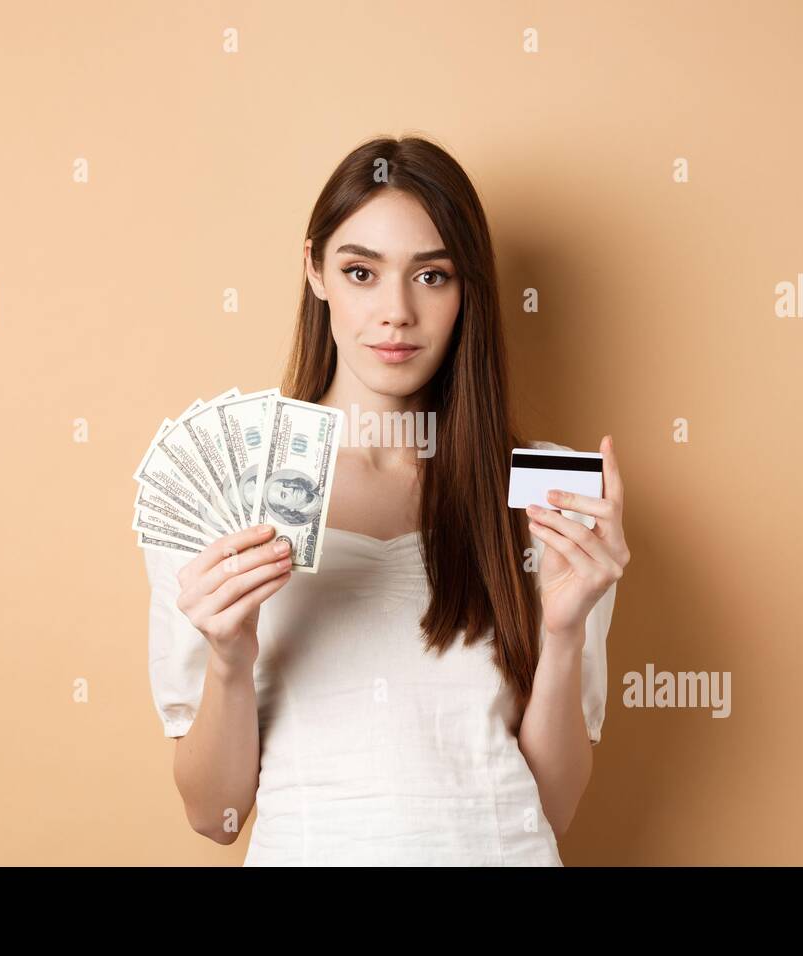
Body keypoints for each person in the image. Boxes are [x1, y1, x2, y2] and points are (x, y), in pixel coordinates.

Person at [144, 135, 631, 865]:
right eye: (361, 271)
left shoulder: (549, 487)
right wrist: (227, 658)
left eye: (432, 276)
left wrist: (562, 634)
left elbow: (552, 809)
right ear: (315, 271)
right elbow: (214, 817)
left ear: (469, 288)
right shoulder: (229, 488)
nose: (396, 311)